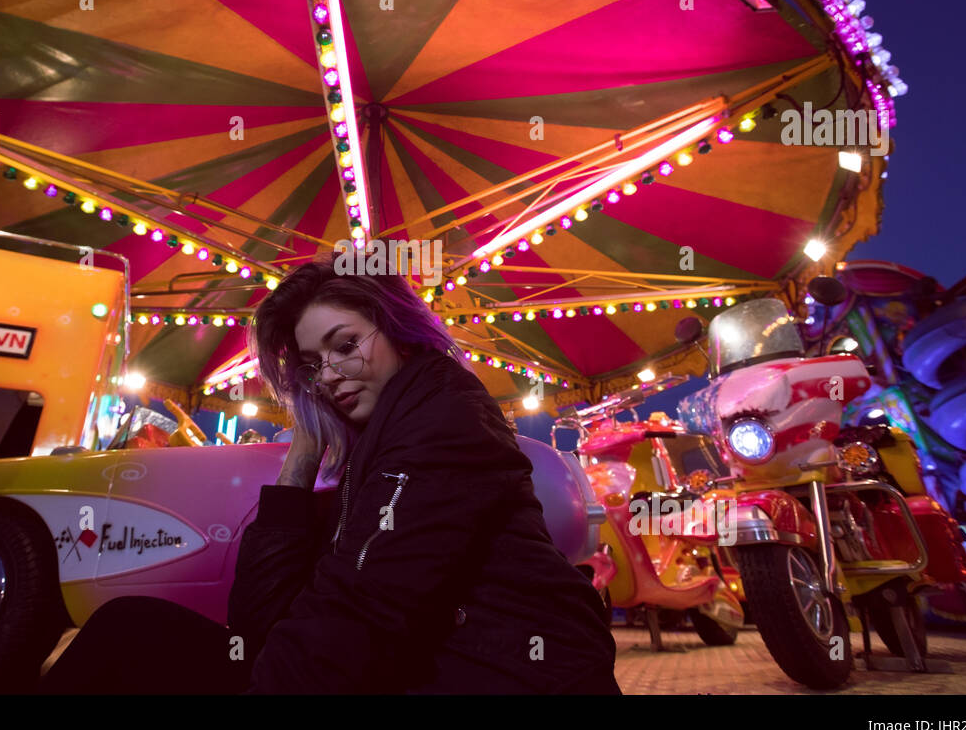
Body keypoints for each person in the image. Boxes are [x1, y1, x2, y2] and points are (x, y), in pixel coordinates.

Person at [42, 258, 620, 694]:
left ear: (398, 330)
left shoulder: (444, 420)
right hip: (426, 663)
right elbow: (263, 617)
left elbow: (363, 610)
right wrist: (299, 461)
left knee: (133, 642)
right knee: (131, 626)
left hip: (504, 673)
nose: (331, 374)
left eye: (346, 345)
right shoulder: (374, 442)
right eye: (313, 364)